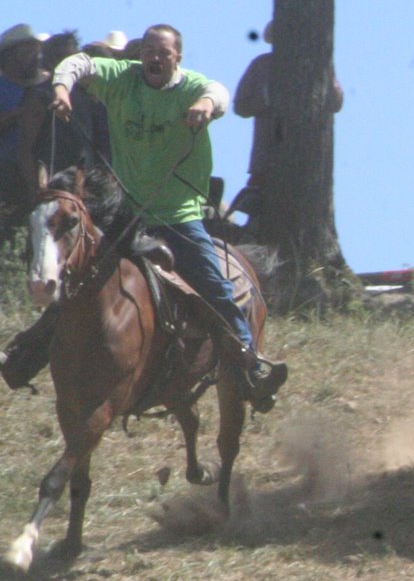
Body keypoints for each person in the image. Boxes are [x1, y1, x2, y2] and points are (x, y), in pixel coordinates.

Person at [0, 24, 287, 405]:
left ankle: (251, 364)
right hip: (128, 212)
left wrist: (206, 106)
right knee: (81, 282)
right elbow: (79, 63)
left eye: (163, 52)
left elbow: (218, 93)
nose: (154, 57)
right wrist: (60, 88)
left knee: (214, 287)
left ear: (177, 58)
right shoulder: (122, 79)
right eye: (149, 50)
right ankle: (23, 357)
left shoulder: (191, 87)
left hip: (179, 215)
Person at [230, 19, 344, 216]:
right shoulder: (261, 65)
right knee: (259, 212)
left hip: (309, 160)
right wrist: (266, 97)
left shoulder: (317, 65)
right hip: (265, 160)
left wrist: (321, 76)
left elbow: (336, 102)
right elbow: (241, 107)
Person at [16, 30, 113, 204]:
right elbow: (25, 148)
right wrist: (35, 192)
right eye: (64, 59)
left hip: (86, 186)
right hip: (53, 184)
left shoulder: (91, 95)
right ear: (51, 61)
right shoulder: (40, 96)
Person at [0, 23, 47, 232]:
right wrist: (21, 114)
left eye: (34, 48)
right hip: (7, 173)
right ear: (8, 56)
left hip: (47, 170)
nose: (33, 55)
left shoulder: (51, 85)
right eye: (25, 50)